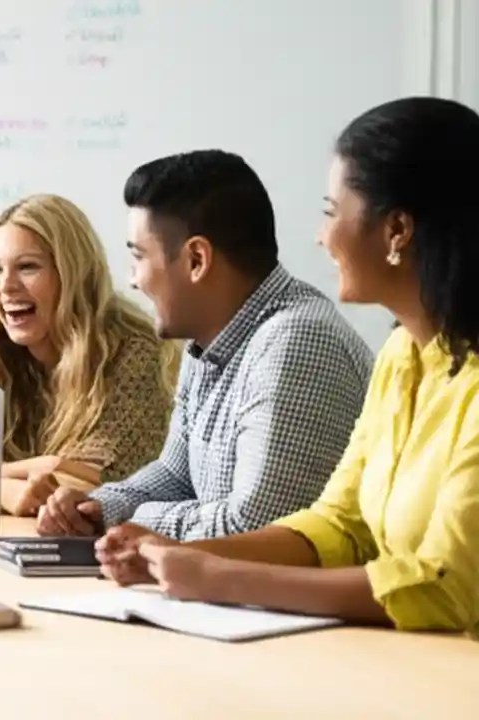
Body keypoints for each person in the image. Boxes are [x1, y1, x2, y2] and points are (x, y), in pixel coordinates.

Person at [95, 97, 479, 633]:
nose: (321, 237)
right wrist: (179, 553)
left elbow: (442, 587)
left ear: (396, 232)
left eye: (330, 212)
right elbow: (339, 525)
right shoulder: (403, 355)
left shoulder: (301, 338)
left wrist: (218, 574)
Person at [39, 149, 374, 541]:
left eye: (139, 257)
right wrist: (98, 507)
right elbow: (176, 473)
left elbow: (255, 527)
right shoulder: (210, 337)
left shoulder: (297, 342)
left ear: (197, 259)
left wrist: (135, 521)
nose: (133, 280)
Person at [0, 194, 177, 517]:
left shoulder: (134, 352)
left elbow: (87, 486)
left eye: (27, 267)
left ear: (72, 274)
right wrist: (28, 474)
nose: (6, 286)